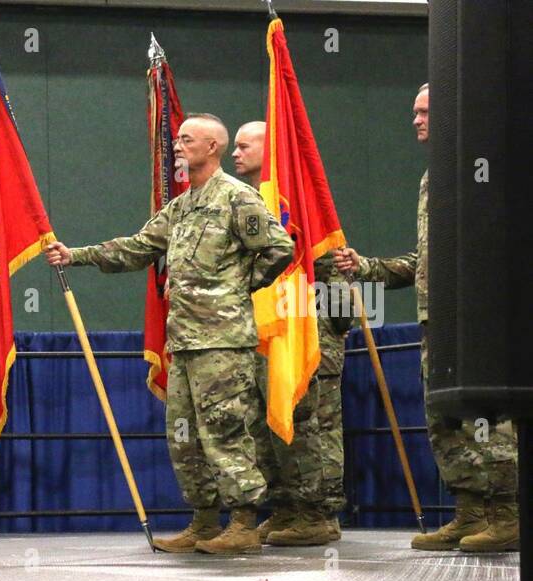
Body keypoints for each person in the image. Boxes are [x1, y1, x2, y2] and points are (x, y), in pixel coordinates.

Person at [47, 113, 293, 555]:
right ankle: (202, 521)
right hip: (183, 341)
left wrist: (239, 285)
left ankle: (242, 523)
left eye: (186, 140)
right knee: (184, 435)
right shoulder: (181, 206)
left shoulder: (238, 199)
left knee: (225, 430)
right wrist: (76, 255)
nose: (178, 146)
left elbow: (280, 248)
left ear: (212, 147)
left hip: (222, 341)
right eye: (178, 140)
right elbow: (139, 247)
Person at [335, 84, 519, 552]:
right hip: (434, 319)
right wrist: (367, 268)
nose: (415, 121)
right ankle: (470, 512)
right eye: (414, 112)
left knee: (488, 417)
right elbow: (426, 260)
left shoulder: (487, 168)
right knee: (444, 418)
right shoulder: (433, 176)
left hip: (477, 319)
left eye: (424, 113)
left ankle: (508, 516)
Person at [231, 121, 349, 546]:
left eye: (245, 146)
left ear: (272, 147)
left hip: (308, 331)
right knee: (267, 424)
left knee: (310, 423)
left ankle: (318, 511)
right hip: (267, 330)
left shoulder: (296, 198)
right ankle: (286, 508)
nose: (236, 153)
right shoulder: (247, 200)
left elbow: (333, 271)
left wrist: (329, 334)